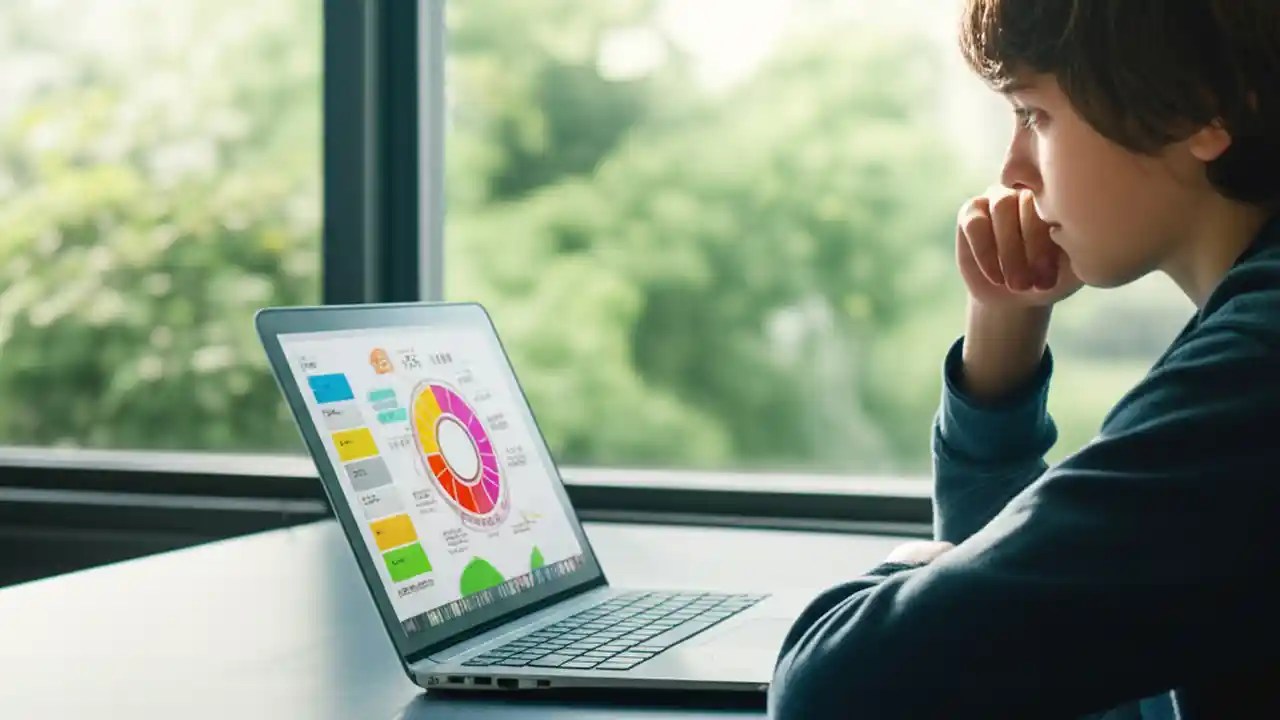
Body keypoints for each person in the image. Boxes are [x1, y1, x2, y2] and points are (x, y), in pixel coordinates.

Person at [768, 0, 1280, 717]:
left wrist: (908, 568)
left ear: (1199, 106)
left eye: (1034, 116)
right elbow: (1044, 628)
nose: (1012, 172)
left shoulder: (1252, 377)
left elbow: (836, 691)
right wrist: (1006, 318)